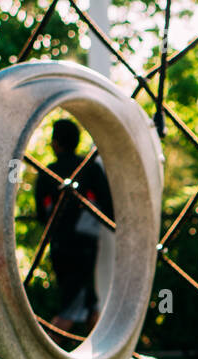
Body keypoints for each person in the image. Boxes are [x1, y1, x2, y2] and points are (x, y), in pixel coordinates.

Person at [34, 118, 114, 345]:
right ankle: (46, 357)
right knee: (72, 304)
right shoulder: (89, 168)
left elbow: (42, 214)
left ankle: (104, 354)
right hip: (85, 245)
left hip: (59, 245)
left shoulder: (48, 172)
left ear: (56, 143)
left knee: (87, 302)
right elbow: (108, 206)